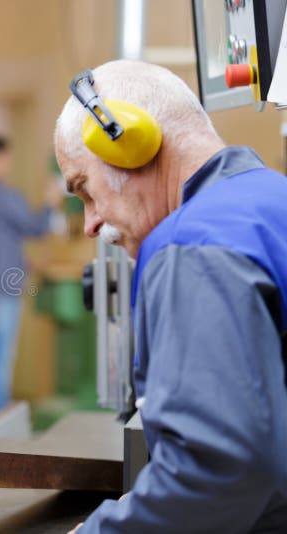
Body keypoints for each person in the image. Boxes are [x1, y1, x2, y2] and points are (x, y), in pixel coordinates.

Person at [55, 60, 287, 532]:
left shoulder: (192, 244)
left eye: (85, 190)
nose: (91, 223)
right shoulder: (272, 200)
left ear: (127, 141)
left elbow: (217, 472)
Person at [0, 136, 62, 420]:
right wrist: (50, 202)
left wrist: (19, 259)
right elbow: (37, 226)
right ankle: (0, 421)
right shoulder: (4, 195)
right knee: (1, 359)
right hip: (3, 290)